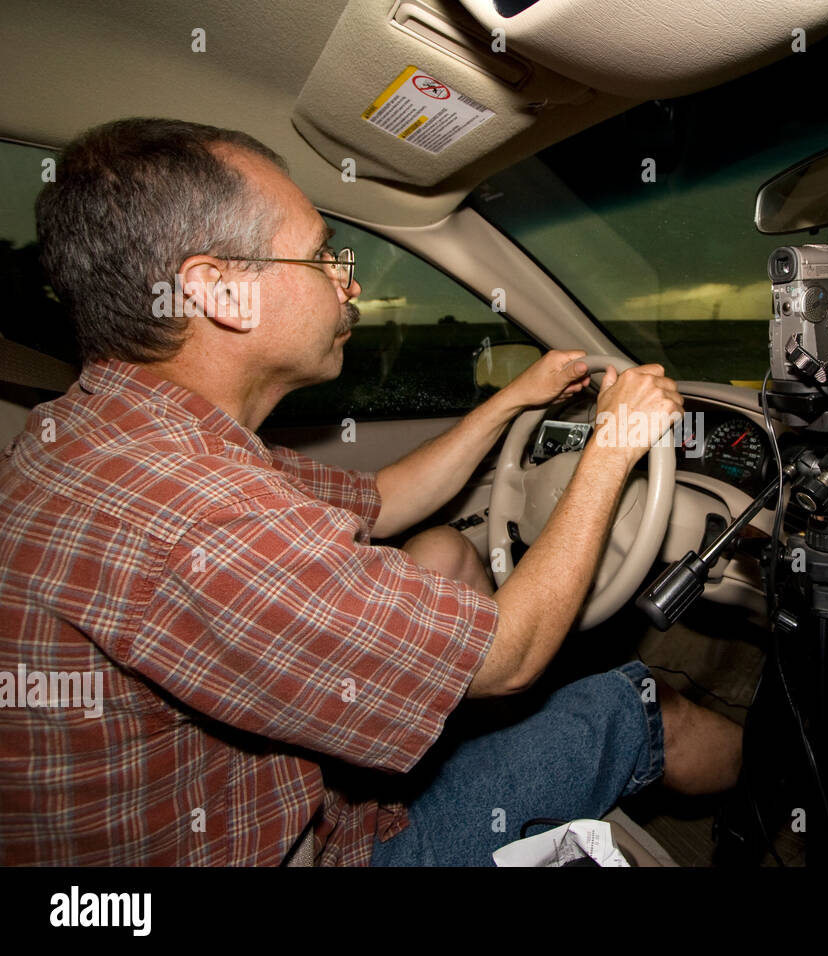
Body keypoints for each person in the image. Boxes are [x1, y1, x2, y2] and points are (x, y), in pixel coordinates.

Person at [0, 117, 742, 866]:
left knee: (442, 552)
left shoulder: (116, 431)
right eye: (322, 255)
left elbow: (380, 498)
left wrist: (513, 400)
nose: (348, 280)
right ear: (218, 291)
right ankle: (804, 799)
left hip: (222, 807)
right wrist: (612, 446)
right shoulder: (206, 520)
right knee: (634, 705)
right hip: (311, 847)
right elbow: (511, 655)